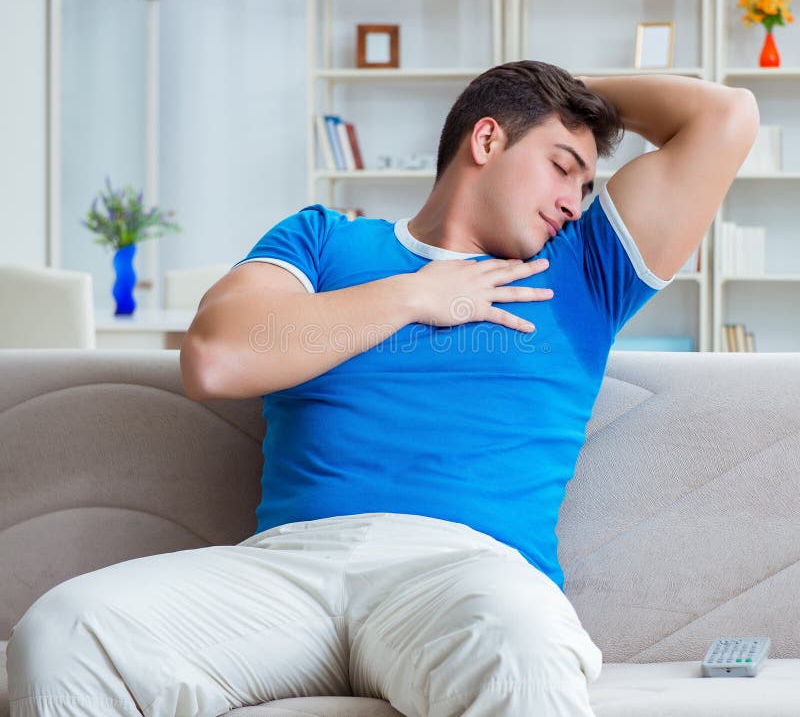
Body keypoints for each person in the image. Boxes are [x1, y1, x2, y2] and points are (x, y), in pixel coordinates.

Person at [7, 61, 758, 717]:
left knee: (523, 649)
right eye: (563, 166)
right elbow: (216, 360)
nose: (574, 200)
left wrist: (559, 88)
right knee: (65, 633)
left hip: (467, 573)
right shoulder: (322, 241)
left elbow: (725, 116)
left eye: (587, 185)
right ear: (487, 139)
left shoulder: (586, 269)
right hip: (288, 571)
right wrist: (417, 294)